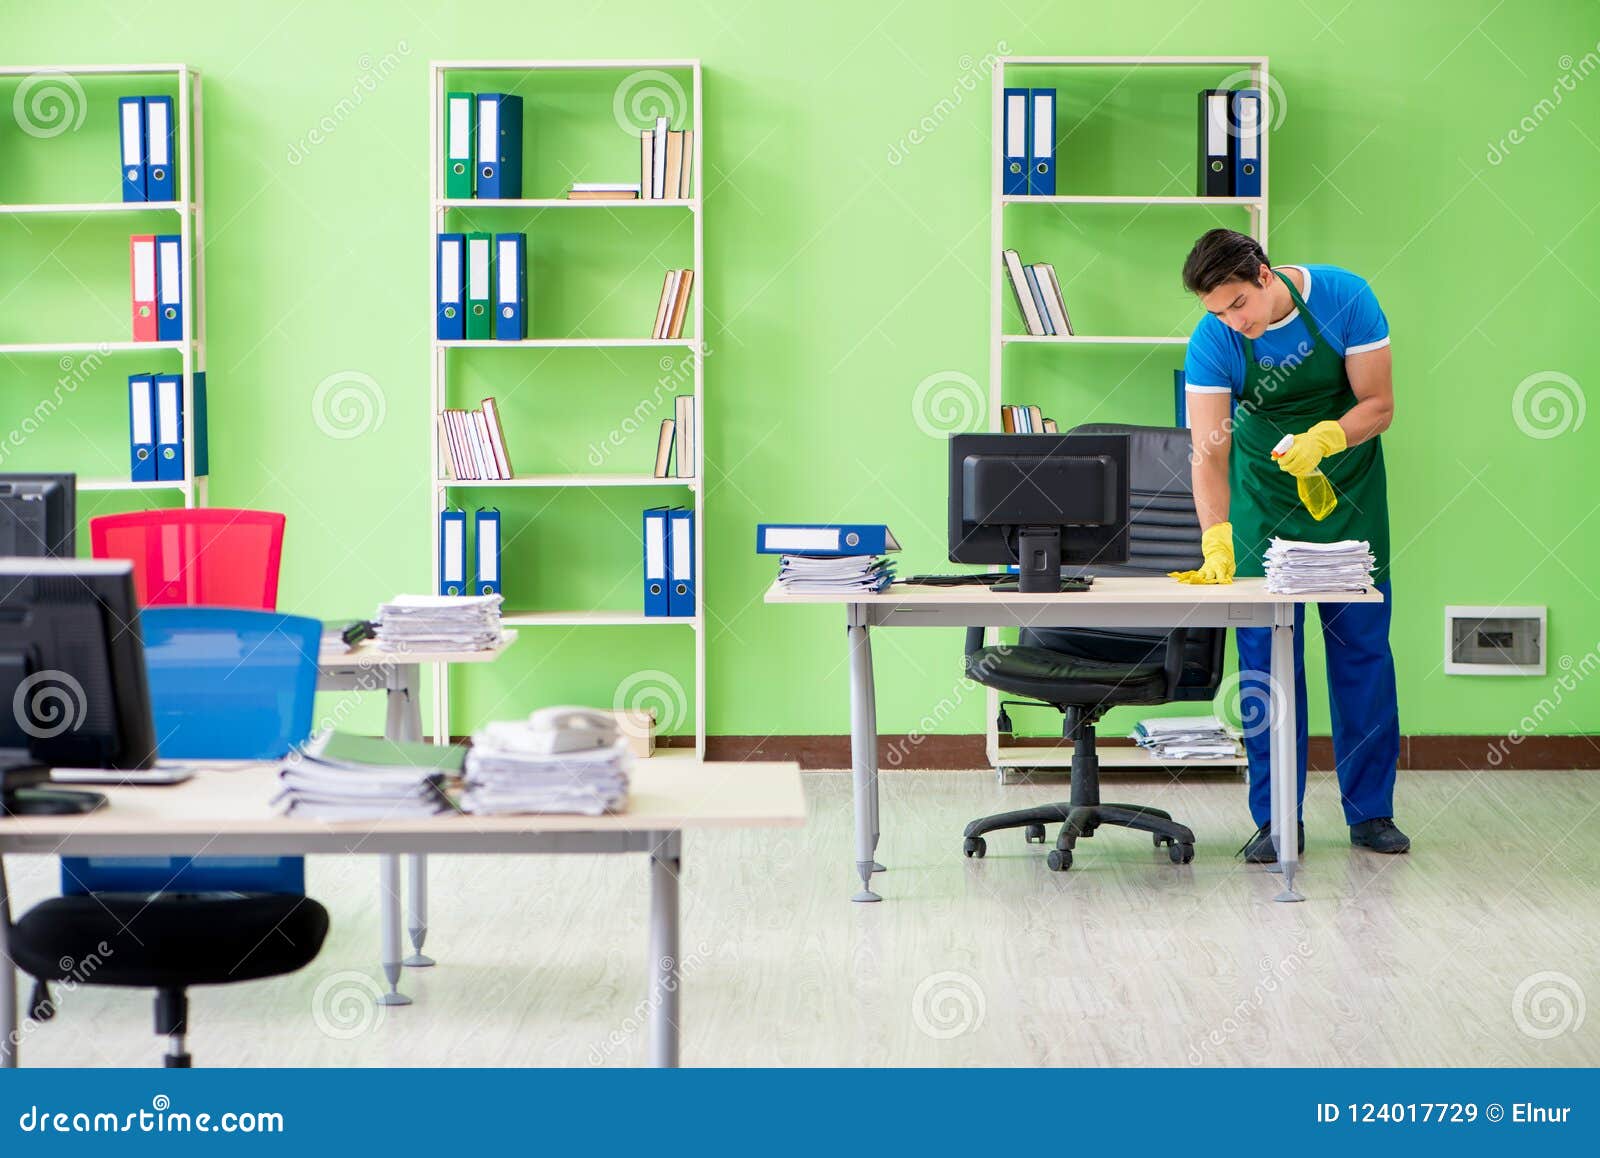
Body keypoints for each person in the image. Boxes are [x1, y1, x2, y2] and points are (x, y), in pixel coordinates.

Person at [1170, 228, 1409, 862]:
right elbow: (1208, 451)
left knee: (1362, 651)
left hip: (1347, 488)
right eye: (1217, 311)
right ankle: (1278, 820)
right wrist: (1216, 537)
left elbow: (1379, 405)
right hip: (1262, 501)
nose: (1232, 322)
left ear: (1266, 276)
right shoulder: (1214, 340)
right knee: (1266, 666)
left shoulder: (1344, 298)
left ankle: (1371, 813)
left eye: (1237, 305)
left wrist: (1326, 438)